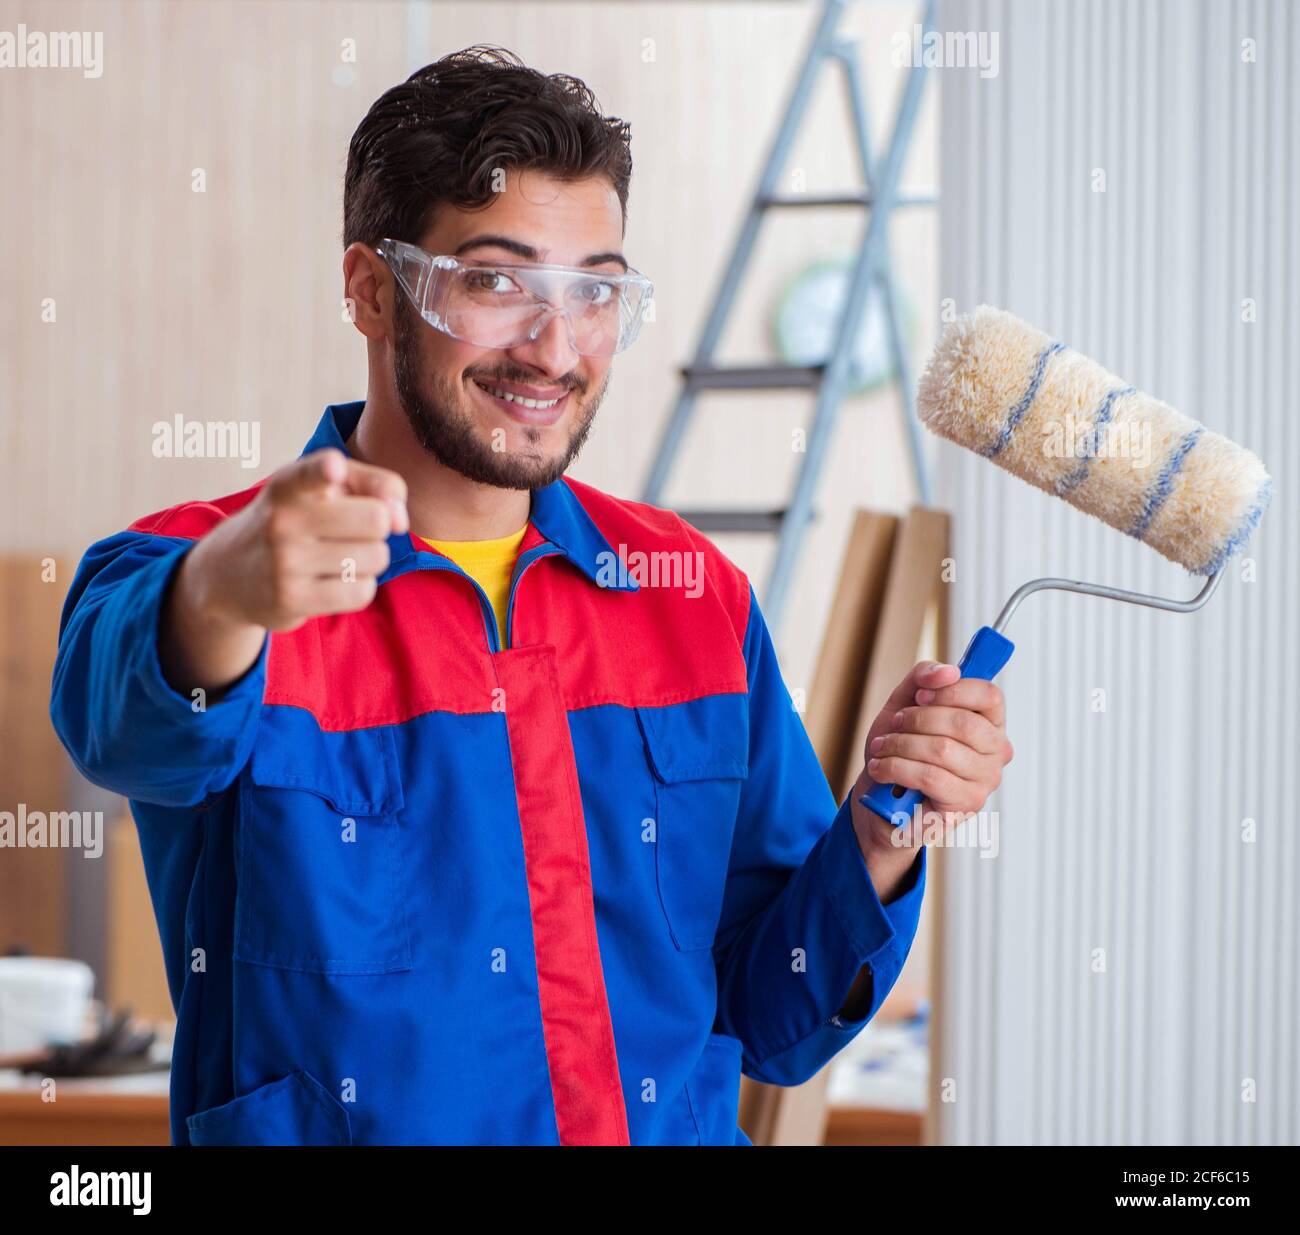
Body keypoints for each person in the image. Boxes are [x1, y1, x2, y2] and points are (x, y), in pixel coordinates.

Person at [50, 45, 1012, 1146]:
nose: (555, 347)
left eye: (594, 289)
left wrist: (887, 822)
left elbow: (769, 1014)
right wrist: (224, 588)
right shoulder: (208, 568)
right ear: (372, 288)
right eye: (497, 280)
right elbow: (119, 721)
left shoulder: (689, 594)